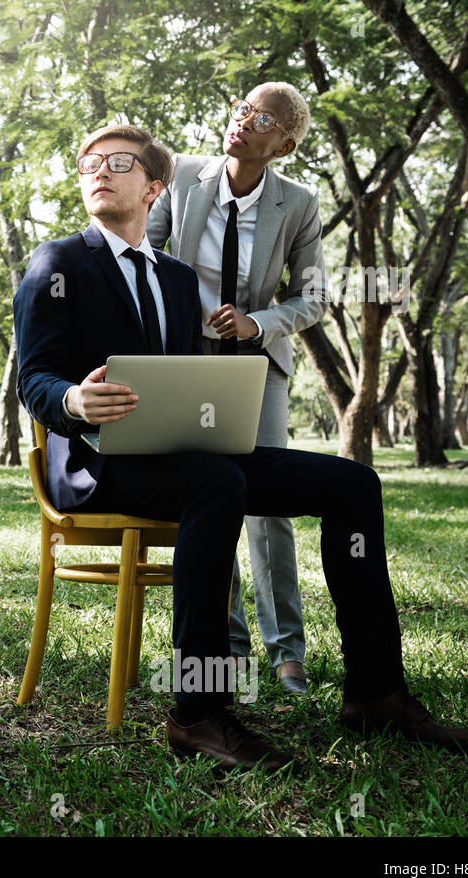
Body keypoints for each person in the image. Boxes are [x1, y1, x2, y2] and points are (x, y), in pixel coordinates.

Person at [13, 122, 468, 771]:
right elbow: (32, 378)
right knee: (217, 483)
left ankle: (376, 692)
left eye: (116, 161)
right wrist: (72, 399)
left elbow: (181, 380)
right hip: (98, 464)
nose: (98, 168)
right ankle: (198, 710)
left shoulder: (177, 280)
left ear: (153, 187)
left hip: (183, 452)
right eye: (89, 160)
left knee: (353, 485)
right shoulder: (57, 263)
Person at [146, 83, 324, 695]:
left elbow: (312, 297)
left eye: (264, 118)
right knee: (211, 496)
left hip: (256, 364)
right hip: (189, 363)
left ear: (285, 143)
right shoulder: (182, 176)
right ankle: (226, 646)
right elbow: (144, 251)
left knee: (268, 502)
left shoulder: (297, 204)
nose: (245, 121)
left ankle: (287, 652)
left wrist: (258, 322)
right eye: (241, 109)